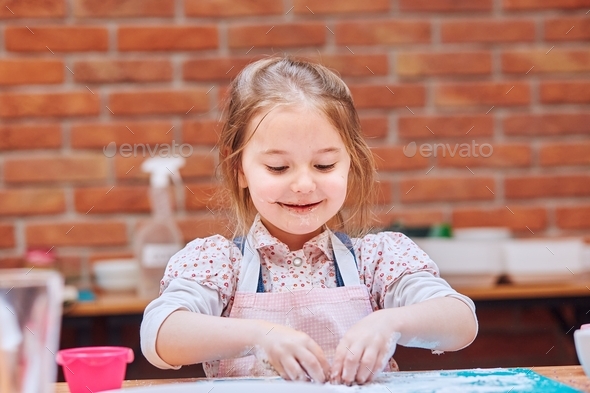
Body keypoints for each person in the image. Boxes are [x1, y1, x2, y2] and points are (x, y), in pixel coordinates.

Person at [140, 56, 478, 386]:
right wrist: (260, 336)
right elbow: (160, 334)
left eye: (324, 165)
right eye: (278, 167)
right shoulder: (219, 263)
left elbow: (460, 323)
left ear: (350, 163)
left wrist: (391, 323)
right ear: (239, 170)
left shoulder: (376, 260)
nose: (303, 184)